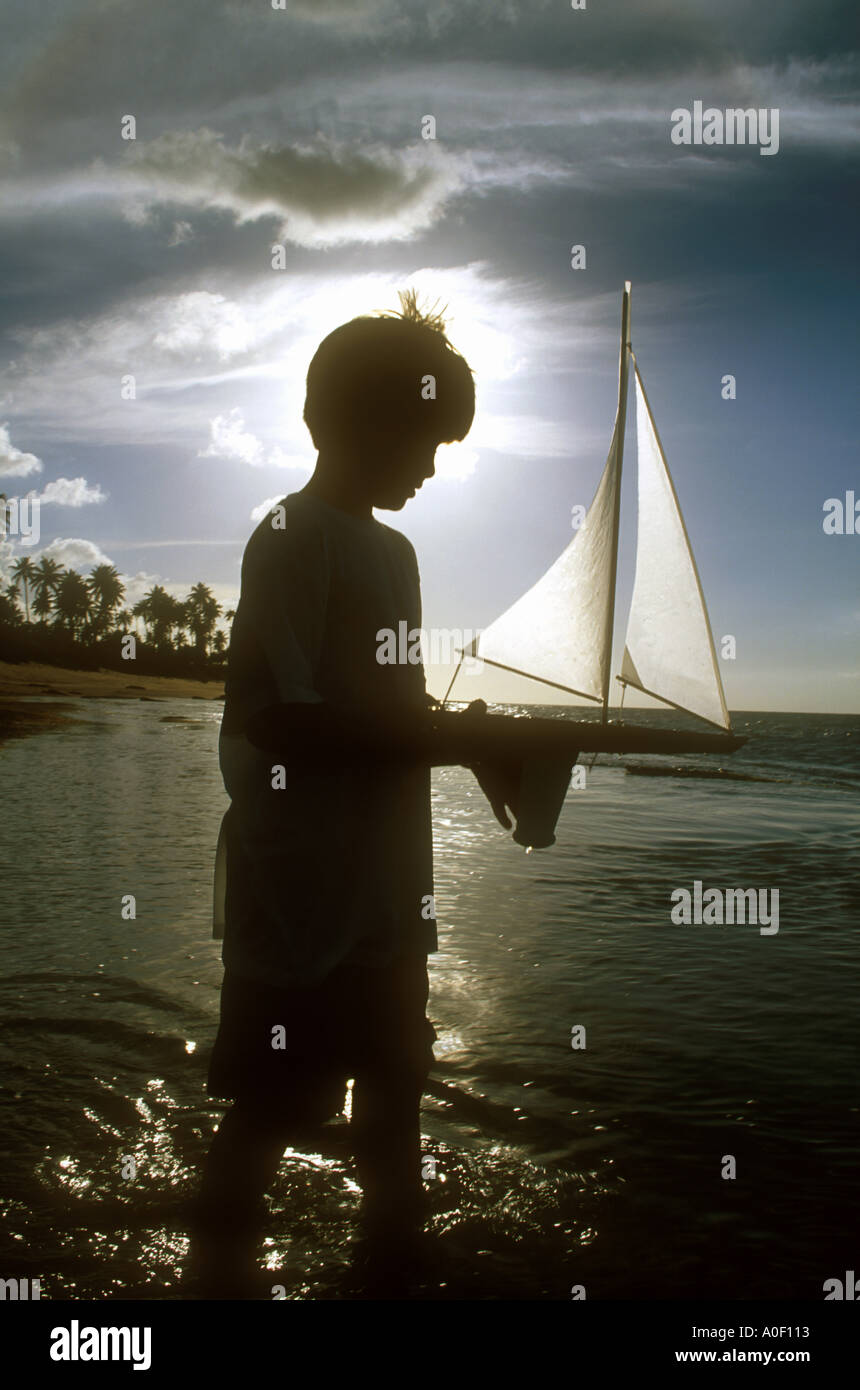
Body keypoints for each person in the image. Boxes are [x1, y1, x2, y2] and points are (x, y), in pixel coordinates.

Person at [188, 293, 521, 1297]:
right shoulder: (292, 535)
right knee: (271, 1102)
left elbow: (400, 702)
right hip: (298, 883)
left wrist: (481, 748)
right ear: (351, 423)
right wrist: (449, 738)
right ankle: (216, 1277)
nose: (429, 466)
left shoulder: (399, 555)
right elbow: (279, 720)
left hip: (387, 883)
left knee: (395, 1084)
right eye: (422, 441)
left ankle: (394, 1261)